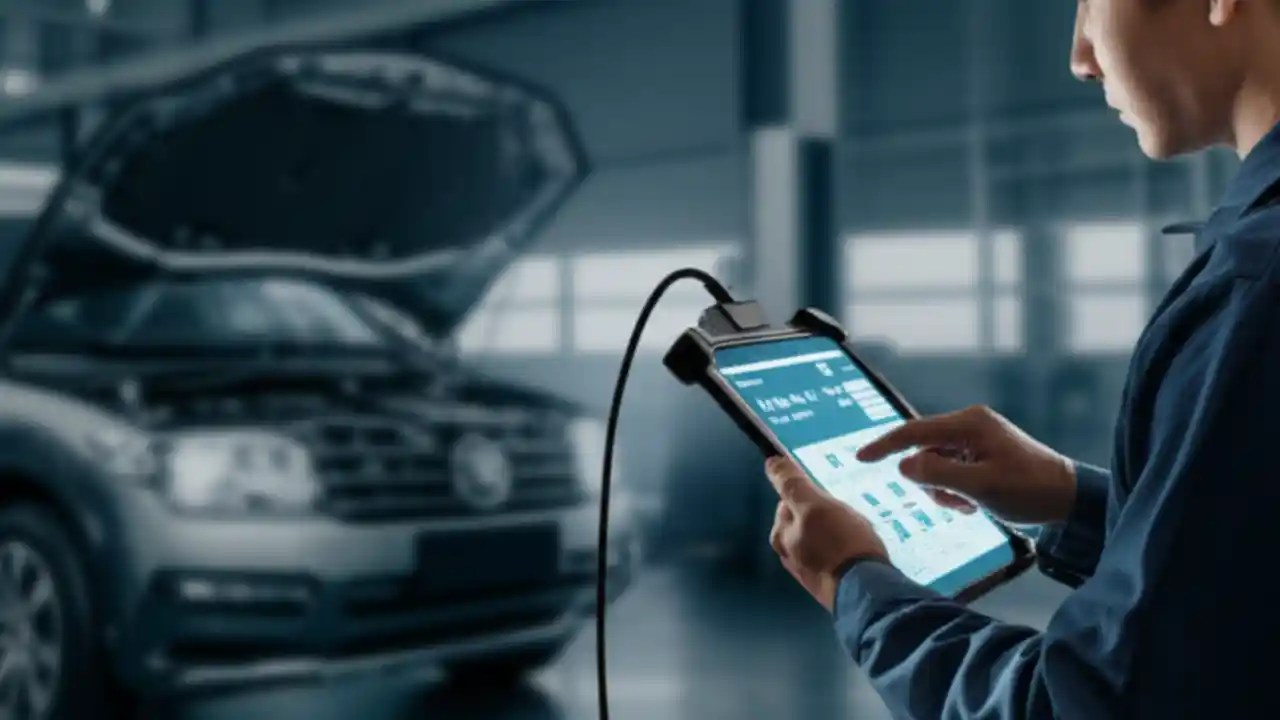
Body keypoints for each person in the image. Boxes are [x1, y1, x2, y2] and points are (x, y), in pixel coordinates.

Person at [764, 0, 1280, 717]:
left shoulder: (1257, 286)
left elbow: (1093, 705)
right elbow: (1246, 586)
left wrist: (857, 584)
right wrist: (1070, 500)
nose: (1080, 56)